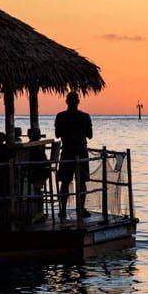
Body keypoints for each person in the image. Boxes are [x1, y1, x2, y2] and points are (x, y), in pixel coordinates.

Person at [54, 91, 93, 220]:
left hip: (67, 152)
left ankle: (63, 210)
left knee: (65, 181)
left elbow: (57, 134)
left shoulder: (60, 116)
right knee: (81, 182)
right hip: (81, 151)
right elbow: (90, 135)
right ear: (78, 102)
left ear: (67, 102)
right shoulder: (85, 116)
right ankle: (80, 209)